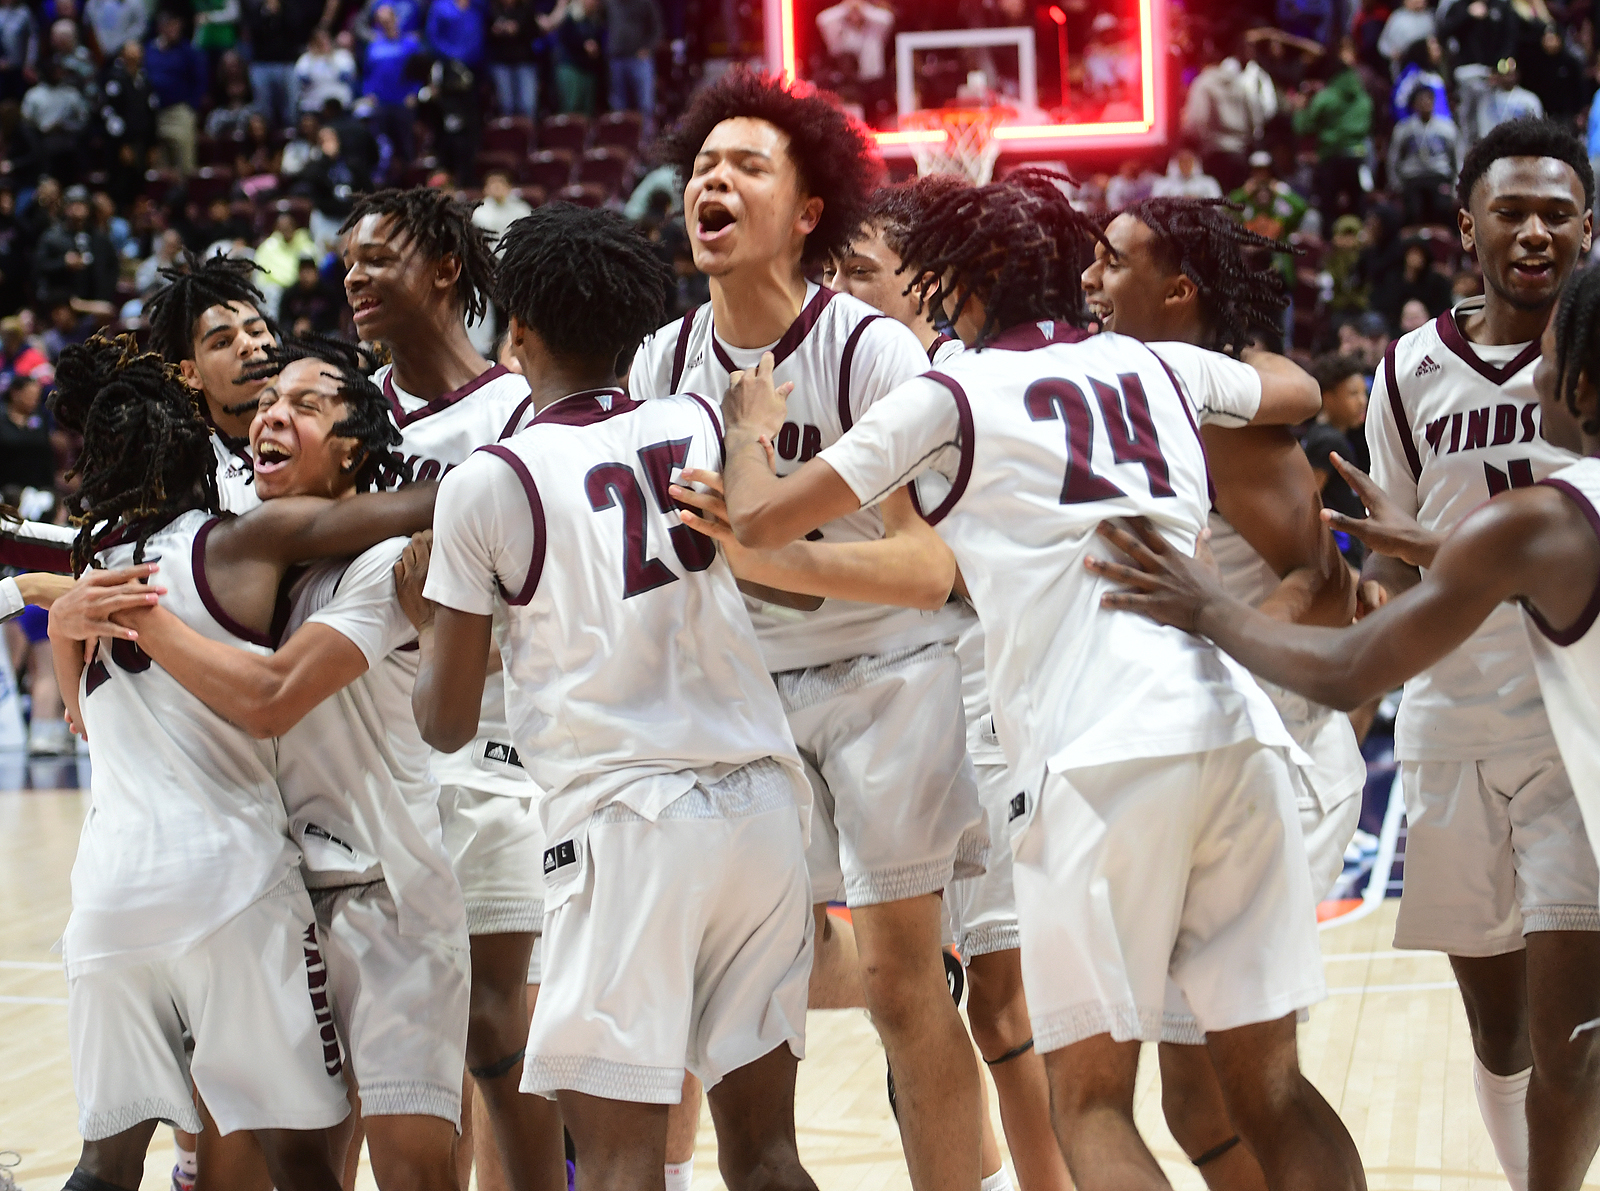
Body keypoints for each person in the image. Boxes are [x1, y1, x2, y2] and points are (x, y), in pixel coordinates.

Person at [703, 168, 1364, 1191]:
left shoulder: (951, 392)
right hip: (1233, 734)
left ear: (965, 283)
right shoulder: (1160, 366)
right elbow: (1299, 390)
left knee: (1091, 1102)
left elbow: (757, 519)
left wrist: (750, 424)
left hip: (1096, 759)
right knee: (1271, 1091)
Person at [1088, 257, 1600, 1191]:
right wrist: (1444, 548)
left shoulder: (1541, 520)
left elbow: (1351, 668)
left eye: (1552, 362)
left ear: (1589, 387)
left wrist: (1206, 606)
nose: (1531, 382)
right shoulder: (1554, 522)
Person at [407, 197, 821, 1191]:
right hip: (761, 807)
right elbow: (788, 583)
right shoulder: (694, 421)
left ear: (517, 331)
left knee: (618, 1165)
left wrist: (431, 620)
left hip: (624, 825)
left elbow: (446, 722)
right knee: (767, 1155)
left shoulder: (488, 480)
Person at [634, 68, 987, 1191]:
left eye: (747, 165)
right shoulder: (661, 363)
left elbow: (929, 569)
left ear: (806, 212)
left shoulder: (872, 352)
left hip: (886, 677)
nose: (714, 182)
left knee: (900, 986)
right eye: (702, 167)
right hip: (741, 692)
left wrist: (768, 553)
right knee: (716, 975)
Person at [42, 332, 436, 1191]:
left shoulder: (92, 569)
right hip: (231, 887)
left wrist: (59, 616)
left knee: (103, 1165)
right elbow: (416, 505)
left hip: (107, 901)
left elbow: (75, 711)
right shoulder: (244, 539)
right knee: (300, 1158)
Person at [1080, 193, 1364, 1191]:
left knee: (1253, 1086)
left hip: (1276, 756)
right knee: (1197, 1101)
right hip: (1201, 759)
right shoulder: (1125, 396)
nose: (1088, 279)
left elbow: (1326, 583)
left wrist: (1219, 635)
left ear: (1177, 290)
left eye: (1111, 261)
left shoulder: (1228, 424)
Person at [1355, 116, 1595, 1191]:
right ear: (1465, 226)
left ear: (1588, 229)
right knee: (1499, 1034)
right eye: (1512, 211)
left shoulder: (1597, 359)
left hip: (1577, 726)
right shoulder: (1407, 371)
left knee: (1572, 1040)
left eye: (1557, 213)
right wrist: (1366, 604)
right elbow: (1391, 555)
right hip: (1451, 722)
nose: (1535, 231)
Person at [822, 174, 1073, 1191]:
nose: (841, 291)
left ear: (923, 285)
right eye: (834, 272)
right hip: (897, 718)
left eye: (862, 272)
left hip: (990, 705)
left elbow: (966, 571)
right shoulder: (844, 389)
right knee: (926, 998)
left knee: (1007, 1002)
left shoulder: (968, 388)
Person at [340, 186, 564, 1191]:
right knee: (411, 1043)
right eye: (347, 261)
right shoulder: (349, 416)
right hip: (373, 752)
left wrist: (455, 613)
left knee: (493, 1023)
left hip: (498, 744)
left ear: (444, 269)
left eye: (377, 257)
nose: (354, 276)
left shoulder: (516, 409)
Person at [143, 253, 280, 514]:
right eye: (222, 342)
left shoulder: (327, 414)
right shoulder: (186, 471)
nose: (248, 345)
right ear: (191, 373)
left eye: (256, 332)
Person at [1290, 40, 1373, 222]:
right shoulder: (1364, 98)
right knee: (1357, 207)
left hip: (1331, 158)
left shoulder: (1326, 97)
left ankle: (1330, 237)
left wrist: (1300, 109)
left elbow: (1303, 128)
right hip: (1358, 157)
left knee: (1328, 208)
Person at [1303, 352, 1373, 536]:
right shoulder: (1328, 441)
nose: (1362, 401)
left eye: (1364, 393)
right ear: (1327, 397)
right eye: (1353, 394)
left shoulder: (1323, 434)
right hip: (1339, 547)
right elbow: (1306, 503)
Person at [1387, 85, 1461, 226]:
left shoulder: (1447, 128)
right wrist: (1395, 184)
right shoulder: (1404, 128)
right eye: (1421, 100)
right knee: (1413, 211)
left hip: (1439, 175)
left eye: (1428, 99)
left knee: (1443, 209)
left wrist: (1457, 184)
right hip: (1413, 177)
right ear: (1414, 104)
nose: (1425, 103)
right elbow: (1394, 157)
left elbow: (1457, 156)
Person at [32, 184, 117, 307]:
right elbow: (38, 267)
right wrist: (63, 263)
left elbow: (111, 268)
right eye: (73, 204)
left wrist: (104, 298)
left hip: (93, 301)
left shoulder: (99, 239)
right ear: (65, 208)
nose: (78, 209)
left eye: (82, 204)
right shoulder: (52, 237)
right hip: (61, 302)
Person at [144, 10, 206, 177]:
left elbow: (199, 80)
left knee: (185, 165)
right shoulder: (149, 50)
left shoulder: (187, 51)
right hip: (155, 114)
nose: (174, 30)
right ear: (161, 27)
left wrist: (192, 107)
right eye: (170, 25)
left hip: (179, 111)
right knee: (160, 167)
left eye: (177, 26)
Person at [243, 0, 321, 130]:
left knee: (291, 103)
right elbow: (253, 32)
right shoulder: (256, 11)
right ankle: (264, 132)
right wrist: (266, 14)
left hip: (286, 63)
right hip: (262, 64)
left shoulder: (290, 10)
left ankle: (291, 129)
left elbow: (296, 30)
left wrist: (279, 14)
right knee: (263, 105)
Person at [364, 3, 422, 164]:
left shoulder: (410, 44)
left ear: (395, 19)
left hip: (403, 101)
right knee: (383, 146)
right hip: (381, 102)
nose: (386, 23)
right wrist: (368, 92)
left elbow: (419, 72)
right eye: (382, 21)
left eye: (388, 19)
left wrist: (414, 92)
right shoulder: (373, 47)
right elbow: (367, 73)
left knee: (406, 145)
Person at [1371, 238, 1454, 332]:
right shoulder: (1393, 279)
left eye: (1419, 254)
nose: (1416, 258)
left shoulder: (1437, 281)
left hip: (1430, 329)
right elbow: (1385, 306)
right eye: (1412, 253)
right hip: (1397, 329)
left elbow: (1444, 309)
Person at [606, 0, 662, 132]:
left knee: (645, 104)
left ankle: (646, 139)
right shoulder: (610, 3)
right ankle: (622, 139)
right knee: (619, 106)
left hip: (639, 59)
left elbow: (657, 28)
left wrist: (648, 48)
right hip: (617, 59)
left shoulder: (645, 2)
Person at [485, 0, 539, 118]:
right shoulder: (491, 9)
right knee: (506, 105)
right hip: (501, 61)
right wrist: (495, 31)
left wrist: (518, 29)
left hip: (524, 61)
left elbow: (535, 33)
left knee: (528, 105)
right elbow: (483, 35)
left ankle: (528, 129)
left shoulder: (526, 9)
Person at [293, 27, 355, 118]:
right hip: (313, 104)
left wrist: (330, 58)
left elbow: (346, 77)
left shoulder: (342, 56)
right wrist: (314, 58)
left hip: (339, 104)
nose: (323, 44)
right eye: (319, 42)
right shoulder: (306, 59)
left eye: (326, 41)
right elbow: (303, 79)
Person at [554, 0, 602, 114]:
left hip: (589, 67)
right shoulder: (570, 15)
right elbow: (564, 38)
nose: (594, 3)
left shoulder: (595, 19)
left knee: (587, 108)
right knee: (572, 105)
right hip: (570, 65)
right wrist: (583, 45)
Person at [278, 256, 343, 335]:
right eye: (303, 271)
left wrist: (312, 325)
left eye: (309, 271)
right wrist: (294, 326)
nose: (306, 276)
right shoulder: (289, 294)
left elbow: (334, 319)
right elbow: (283, 320)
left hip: (322, 334)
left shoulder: (328, 293)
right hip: (295, 335)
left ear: (316, 273)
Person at [471, 166, 533, 249]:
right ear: (485, 189)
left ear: (509, 187)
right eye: (492, 183)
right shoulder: (477, 212)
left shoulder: (522, 209)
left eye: (501, 183)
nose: (497, 187)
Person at [255, 210, 317, 288]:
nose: (286, 230)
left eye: (289, 226)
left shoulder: (306, 244)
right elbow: (261, 274)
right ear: (277, 229)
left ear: (295, 227)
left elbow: (314, 268)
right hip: (276, 287)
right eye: (282, 228)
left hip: (301, 287)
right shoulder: (268, 246)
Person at [1378, 0, 1435, 74]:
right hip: (1402, 66)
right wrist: (1391, 53)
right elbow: (1383, 43)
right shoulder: (1397, 17)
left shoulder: (1430, 16)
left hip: (1427, 66)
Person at [1150, 145, 1223, 199]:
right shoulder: (1161, 184)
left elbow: (1217, 205)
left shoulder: (1209, 183)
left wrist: (1198, 199)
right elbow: (1155, 205)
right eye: (1182, 162)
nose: (1186, 165)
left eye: (1189, 162)